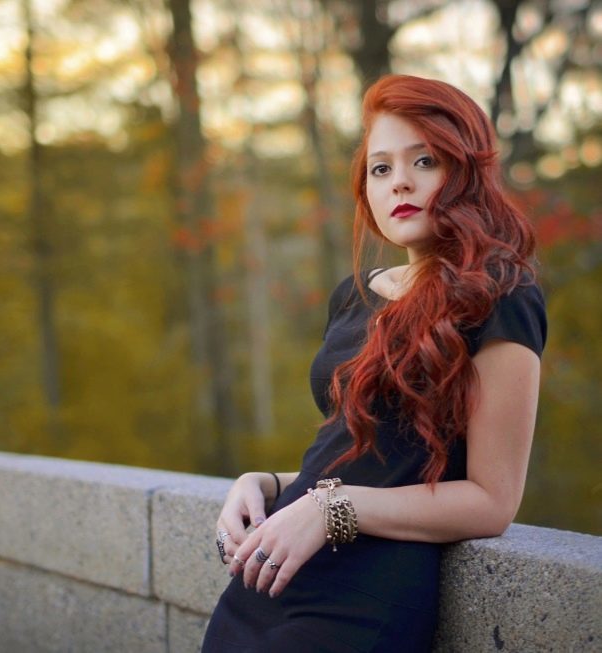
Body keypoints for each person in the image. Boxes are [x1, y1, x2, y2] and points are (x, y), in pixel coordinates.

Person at [202, 74, 547, 653]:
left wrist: (331, 509)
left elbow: (492, 501)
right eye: (381, 168)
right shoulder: (354, 294)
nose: (400, 183)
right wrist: (264, 484)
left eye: (425, 161)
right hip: (264, 584)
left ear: (465, 173)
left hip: (362, 602)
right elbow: (373, 461)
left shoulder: (502, 296)